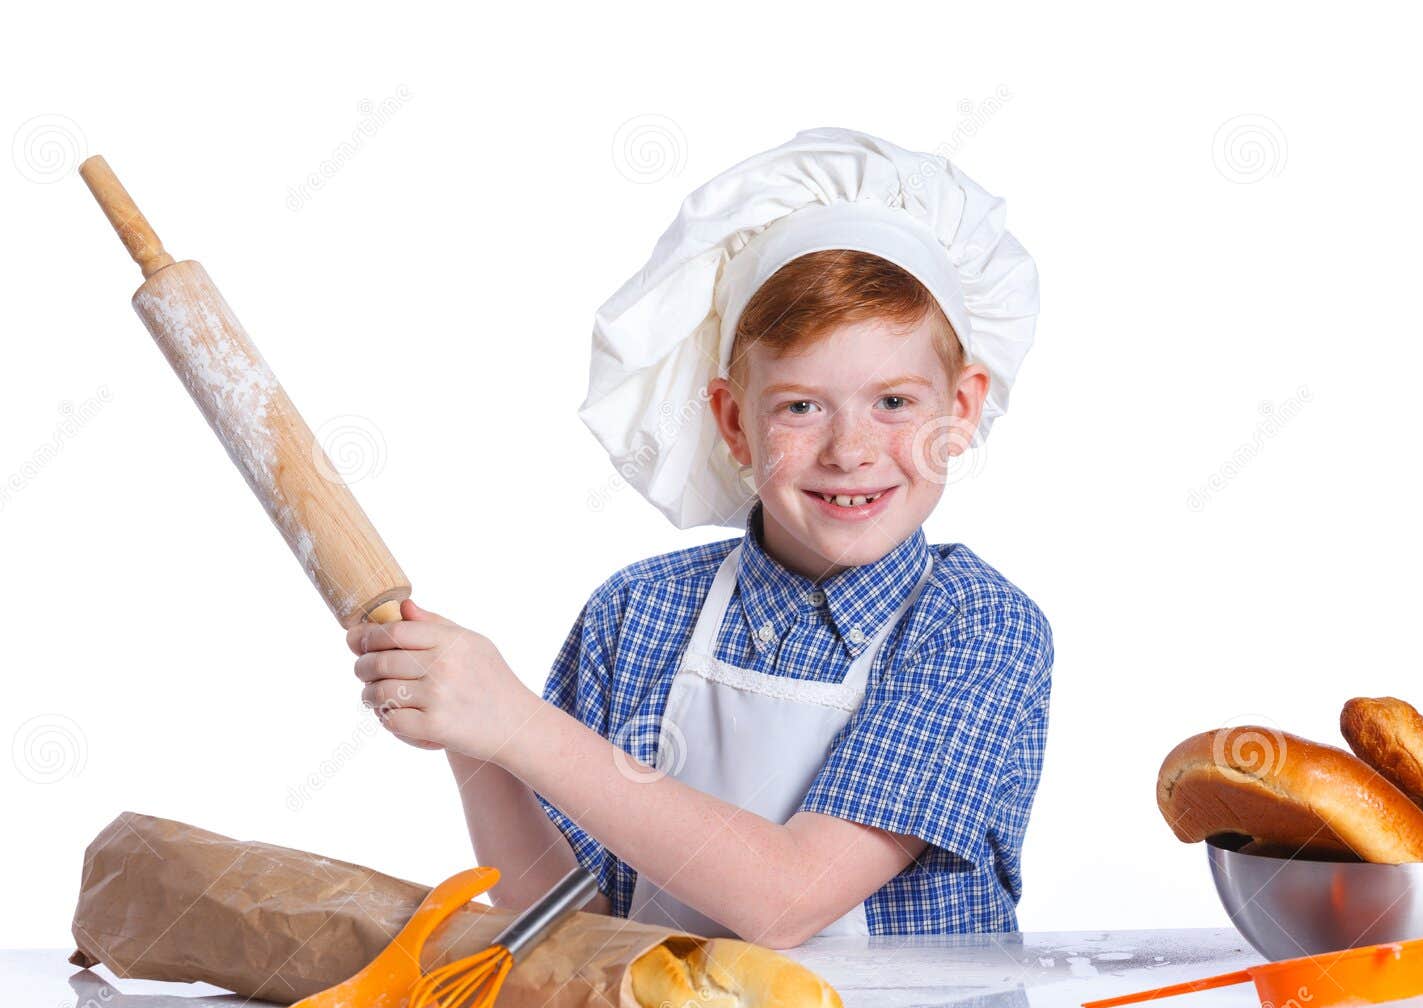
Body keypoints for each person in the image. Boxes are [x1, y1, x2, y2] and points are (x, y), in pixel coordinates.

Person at [349, 128, 1051, 946]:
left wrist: (517, 723)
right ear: (732, 422)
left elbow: (789, 896)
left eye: (893, 401)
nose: (850, 449)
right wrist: (472, 740)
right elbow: (571, 923)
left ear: (960, 408)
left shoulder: (976, 627)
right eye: (800, 405)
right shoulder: (638, 612)